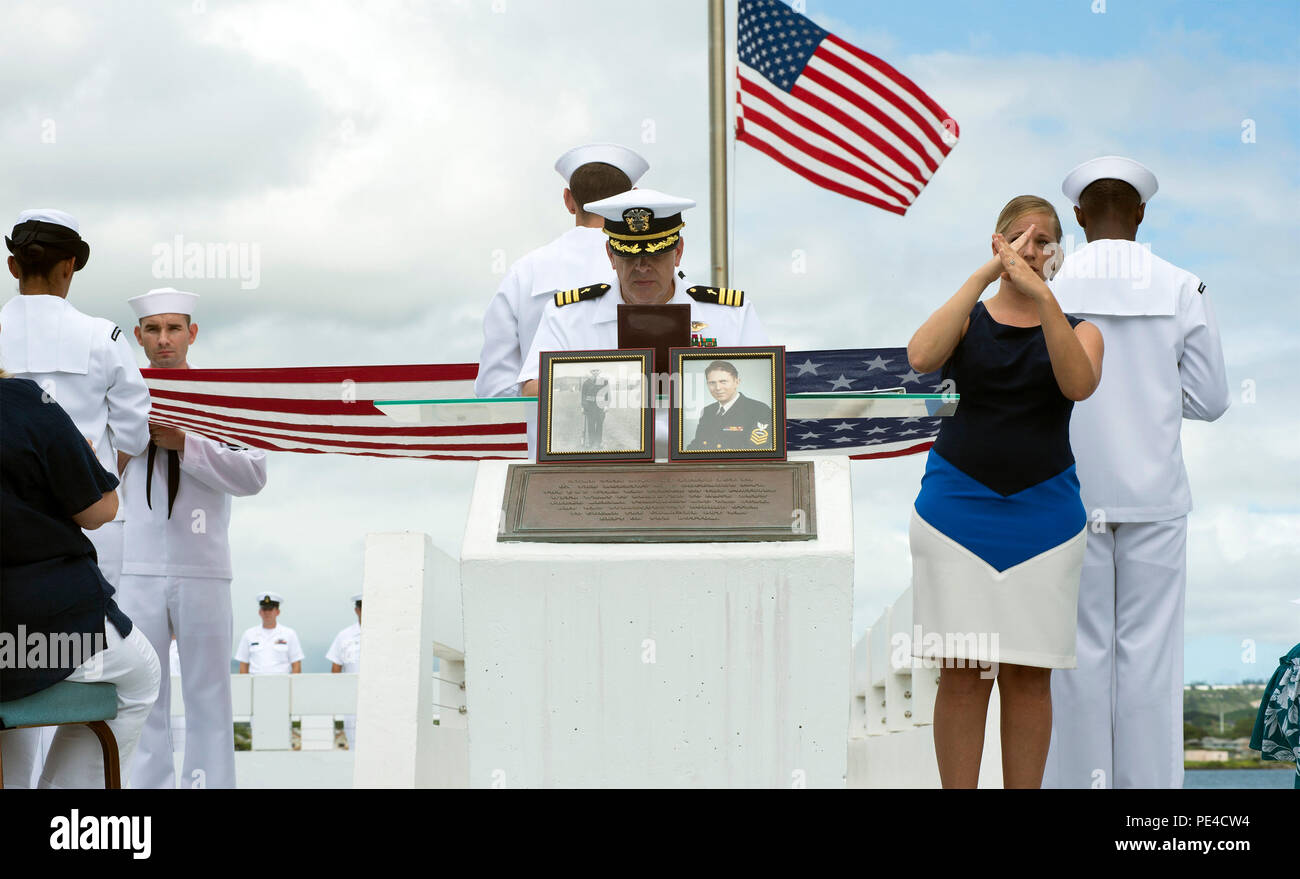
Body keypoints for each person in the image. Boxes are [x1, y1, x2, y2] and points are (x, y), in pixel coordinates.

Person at [905, 195, 1104, 788]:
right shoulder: (968, 318)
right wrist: (983, 275)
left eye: (1044, 241)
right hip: (956, 517)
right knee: (964, 673)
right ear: (996, 243)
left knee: (1028, 674)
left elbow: (1078, 384)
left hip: (1045, 522)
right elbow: (920, 358)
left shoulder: (1081, 330)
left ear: (1059, 254)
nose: (1031, 249)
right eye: (1018, 238)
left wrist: (1043, 296)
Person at [1043, 156, 1229, 790]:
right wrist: (1150, 395)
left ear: (1077, 217)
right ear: (1142, 214)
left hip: (1067, 493)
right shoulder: (1182, 285)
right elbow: (1210, 398)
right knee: (1150, 664)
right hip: (1154, 497)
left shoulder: (1050, 287)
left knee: (1076, 662)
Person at [0, 208, 151, 788]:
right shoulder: (103, 336)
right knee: (92, 681)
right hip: (82, 532)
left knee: (14, 702)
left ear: (12, 265)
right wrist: (90, 472)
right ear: (71, 267)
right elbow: (134, 432)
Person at [116, 287, 268, 790]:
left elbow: (252, 474)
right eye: (153, 329)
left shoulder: (222, 397)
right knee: (142, 694)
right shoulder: (122, 393)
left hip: (203, 565)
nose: (164, 339)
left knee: (209, 693)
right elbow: (92, 475)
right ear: (138, 337)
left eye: (173, 328)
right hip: (135, 566)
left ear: (192, 333)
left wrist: (188, 443)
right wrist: (129, 442)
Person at [0, 371, 160, 788]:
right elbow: (98, 511)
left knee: (14, 698)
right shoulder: (24, 400)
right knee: (142, 676)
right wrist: (82, 463)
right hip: (38, 626)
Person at [519, 189, 769, 454]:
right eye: (629, 254)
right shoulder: (568, 315)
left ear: (679, 252)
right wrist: (623, 380)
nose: (641, 266)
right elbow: (532, 387)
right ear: (611, 255)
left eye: (656, 254)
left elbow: (767, 384)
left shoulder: (731, 314)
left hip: (704, 462)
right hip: (605, 466)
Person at [475, 143, 649, 399]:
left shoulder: (524, 273)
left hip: (544, 435)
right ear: (632, 200)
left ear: (568, 200)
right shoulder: (656, 272)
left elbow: (494, 390)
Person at [687, 360, 773, 451]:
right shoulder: (708, 411)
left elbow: (756, 451)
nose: (718, 388)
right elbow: (696, 445)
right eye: (712, 383)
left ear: (737, 382)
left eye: (723, 381)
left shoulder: (759, 410)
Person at [326, 593, 363, 750]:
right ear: (356, 610)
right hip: (352, 699)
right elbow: (336, 669)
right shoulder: (344, 636)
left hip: (378, 696)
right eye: (362, 607)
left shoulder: (385, 635)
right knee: (355, 745)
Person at [235, 593, 304, 675]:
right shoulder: (249, 634)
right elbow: (243, 665)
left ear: (278, 612)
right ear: (260, 612)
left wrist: (292, 686)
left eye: (270, 609)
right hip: (256, 684)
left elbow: (296, 664)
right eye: (264, 609)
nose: (267, 613)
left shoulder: (289, 634)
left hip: (282, 684)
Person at [579, 368, 609, 447]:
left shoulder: (604, 381)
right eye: (593, 371)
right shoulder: (586, 383)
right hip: (590, 406)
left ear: (600, 371)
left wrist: (606, 405)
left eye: (597, 370)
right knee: (591, 424)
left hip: (600, 406)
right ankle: (591, 442)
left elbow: (607, 395)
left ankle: (599, 442)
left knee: (599, 424)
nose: (595, 372)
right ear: (591, 372)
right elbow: (583, 395)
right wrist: (583, 407)